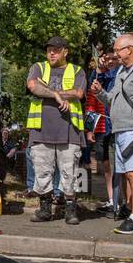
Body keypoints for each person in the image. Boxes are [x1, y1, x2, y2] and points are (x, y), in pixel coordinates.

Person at [94, 32, 133, 233]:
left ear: (130, 49)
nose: (115, 54)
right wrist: (100, 93)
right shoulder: (123, 71)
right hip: (121, 129)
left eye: (117, 49)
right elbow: (112, 99)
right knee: (128, 174)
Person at [26, 36, 87, 225]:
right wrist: (58, 95)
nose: (51, 53)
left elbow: (78, 93)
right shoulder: (38, 67)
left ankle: (70, 209)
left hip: (69, 131)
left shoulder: (77, 70)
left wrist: (51, 93)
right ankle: (44, 209)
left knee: (70, 172)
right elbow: (33, 86)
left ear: (65, 52)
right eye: (49, 49)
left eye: (56, 50)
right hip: (41, 130)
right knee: (42, 171)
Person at [88, 49, 122, 217]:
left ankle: (121, 201)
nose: (109, 61)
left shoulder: (120, 74)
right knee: (106, 165)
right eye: (106, 59)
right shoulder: (99, 75)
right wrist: (90, 129)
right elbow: (91, 99)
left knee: (122, 167)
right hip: (102, 127)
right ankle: (111, 199)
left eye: (113, 58)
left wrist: (103, 71)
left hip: (118, 126)